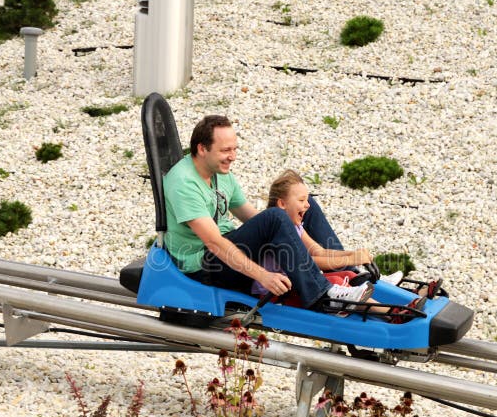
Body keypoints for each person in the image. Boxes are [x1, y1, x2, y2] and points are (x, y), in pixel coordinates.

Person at [163, 115, 374, 310]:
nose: (233, 157)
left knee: (302, 204)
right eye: (226, 150)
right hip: (205, 268)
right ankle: (324, 294)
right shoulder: (184, 183)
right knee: (276, 216)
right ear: (202, 149)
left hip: (229, 250)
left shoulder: (219, 172)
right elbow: (214, 243)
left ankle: (349, 273)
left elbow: (252, 217)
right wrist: (264, 276)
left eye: (235, 149)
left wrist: (292, 224)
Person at [251, 170, 421, 318]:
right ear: (282, 204)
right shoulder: (275, 232)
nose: (308, 205)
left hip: (294, 285)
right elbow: (309, 262)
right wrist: (350, 259)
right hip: (276, 294)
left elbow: (319, 251)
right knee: (337, 280)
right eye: (302, 200)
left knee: (348, 275)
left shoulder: (295, 227)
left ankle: (404, 298)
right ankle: (393, 314)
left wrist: (352, 254)